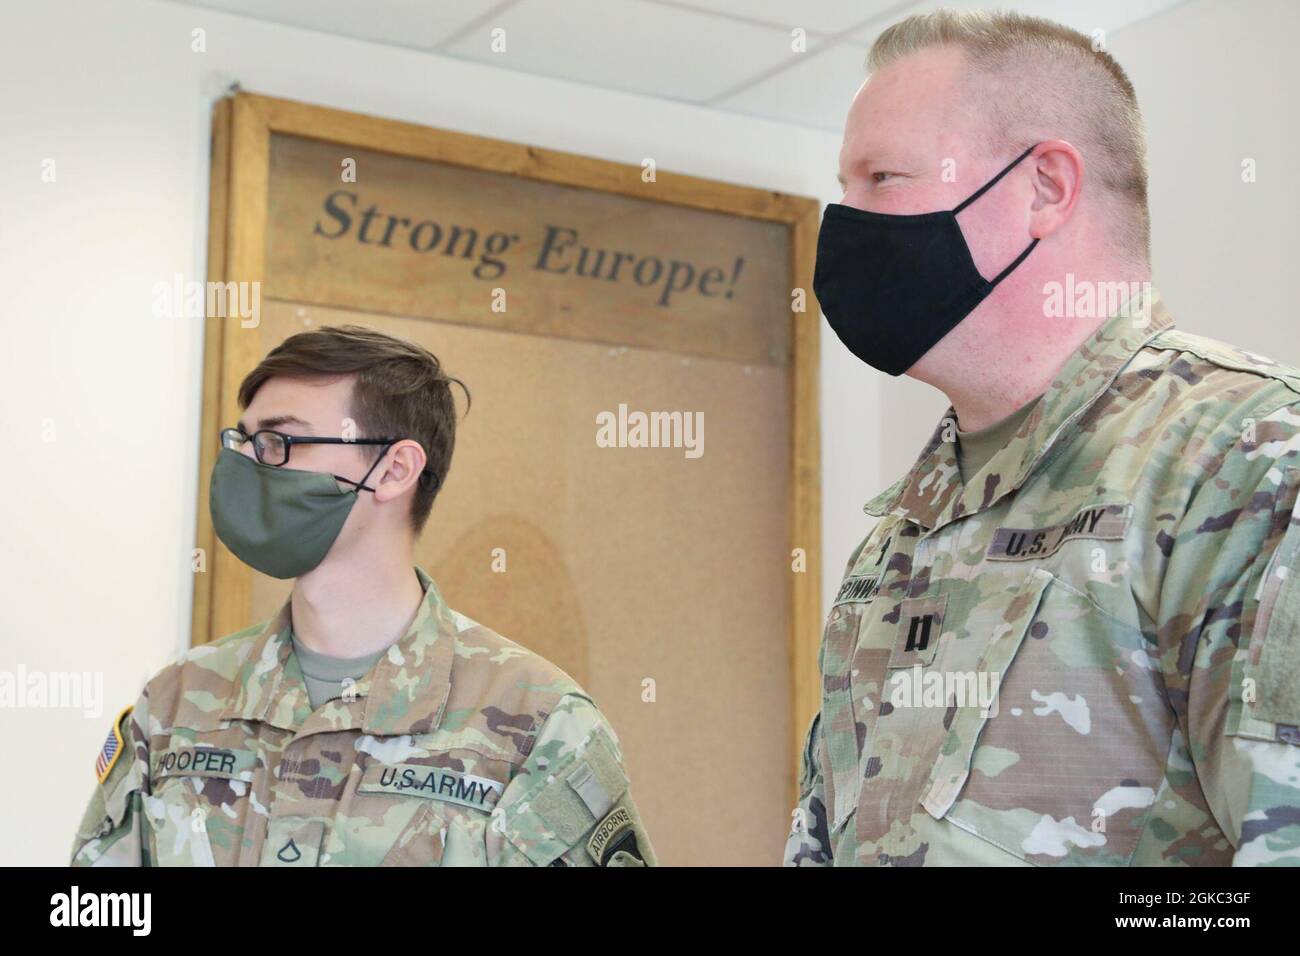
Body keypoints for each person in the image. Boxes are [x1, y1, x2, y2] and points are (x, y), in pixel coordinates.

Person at [785, 10, 1300, 866]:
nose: (848, 220)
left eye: (883, 177)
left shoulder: (1245, 463)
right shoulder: (903, 532)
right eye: (846, 184)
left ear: (1045, 189)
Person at [72, 324, 655, 866]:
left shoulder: (540, 725)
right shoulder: (176, 703)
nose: (248, 463)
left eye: (280, 442)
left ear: (394, 468)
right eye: (243, 441)